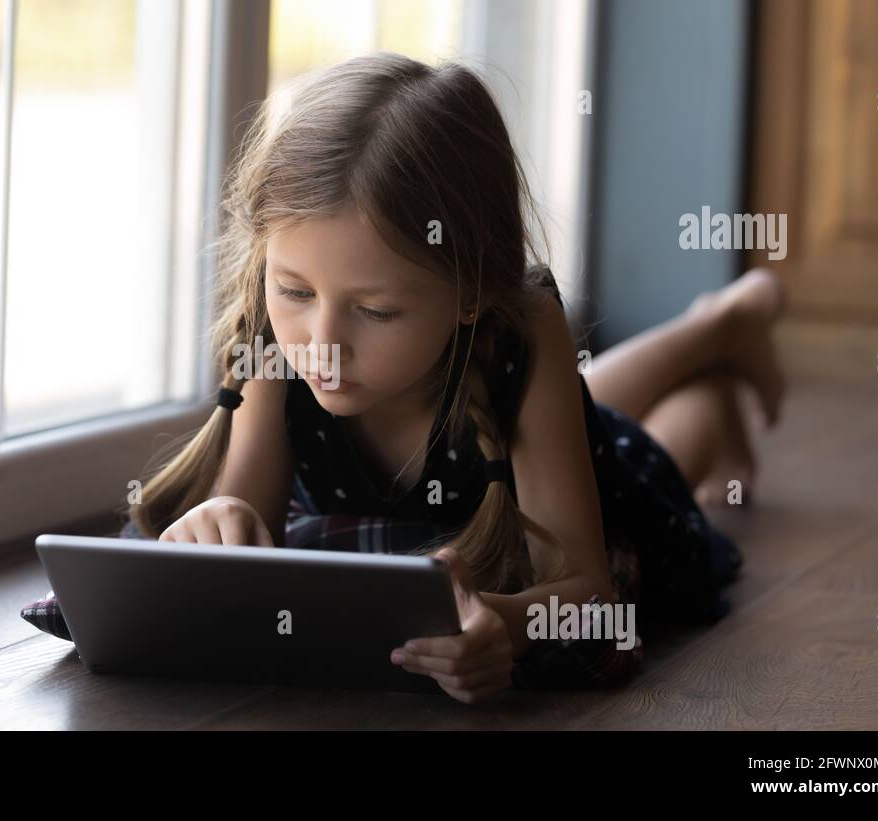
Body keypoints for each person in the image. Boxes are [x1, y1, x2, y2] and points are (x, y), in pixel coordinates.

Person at [123, 53, 785, 704]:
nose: (321, 345)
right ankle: (721, 324)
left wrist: (510, 624)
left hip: (613, 484)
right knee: (583, 413)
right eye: (293, 289)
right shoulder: (281, 338)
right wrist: (222, 519)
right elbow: (247, 526)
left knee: (644, 443)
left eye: (375, 310)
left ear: (471, 293)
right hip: (521, 432)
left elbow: (582, 586)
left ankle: (720, 380)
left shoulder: (521, 325)